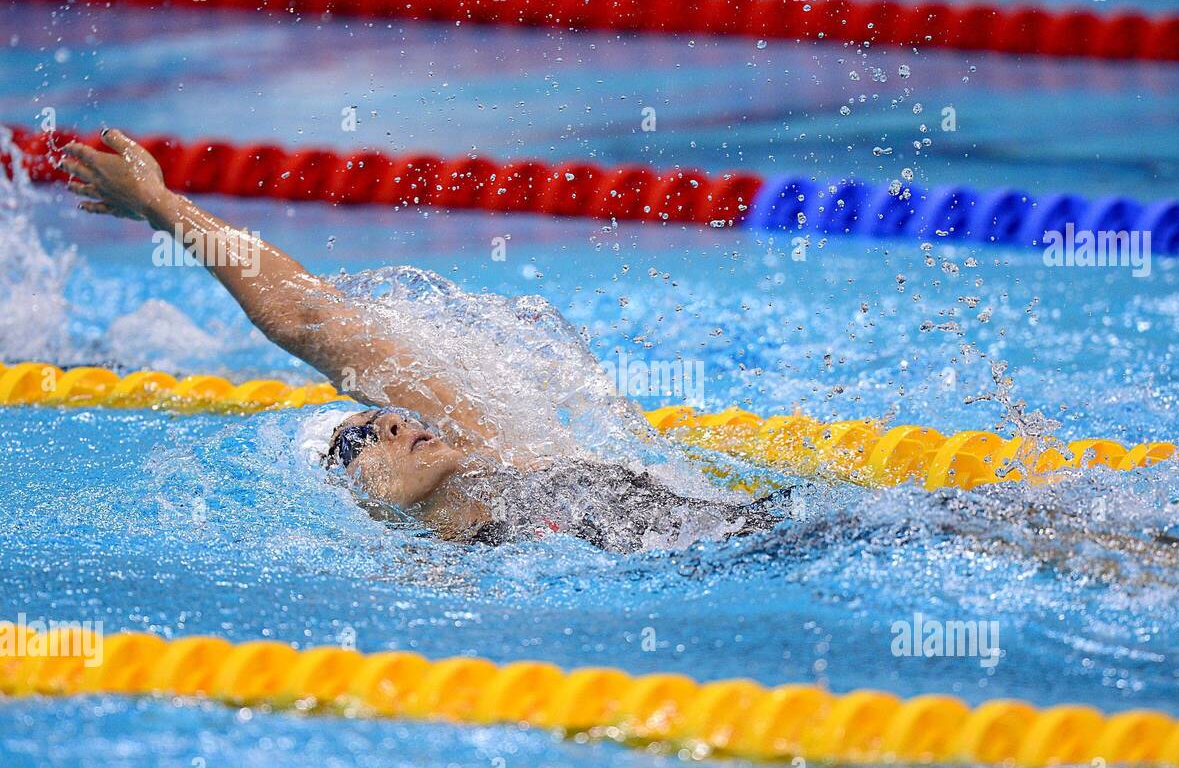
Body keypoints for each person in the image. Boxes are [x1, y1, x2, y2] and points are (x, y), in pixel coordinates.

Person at [58, 129, 781, 551]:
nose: (397, 417)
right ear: (359, 495)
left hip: (751, 534)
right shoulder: (441, 561)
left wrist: (164, 207)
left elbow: (306, 317)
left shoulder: (490, 447)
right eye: (364, 438)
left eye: (377, 413)